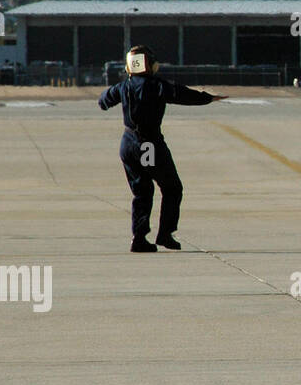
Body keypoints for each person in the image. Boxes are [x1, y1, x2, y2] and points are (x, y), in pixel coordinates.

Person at [97, 45, 226, 252]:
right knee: (172, 188)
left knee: (142, 191)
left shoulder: (123, 87)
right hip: (148, 145)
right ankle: (165, 233)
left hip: (128, 143)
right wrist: (208, 98)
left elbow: (103, 101)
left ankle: (139, 238)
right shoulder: (157, 86)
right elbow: (183, 95)